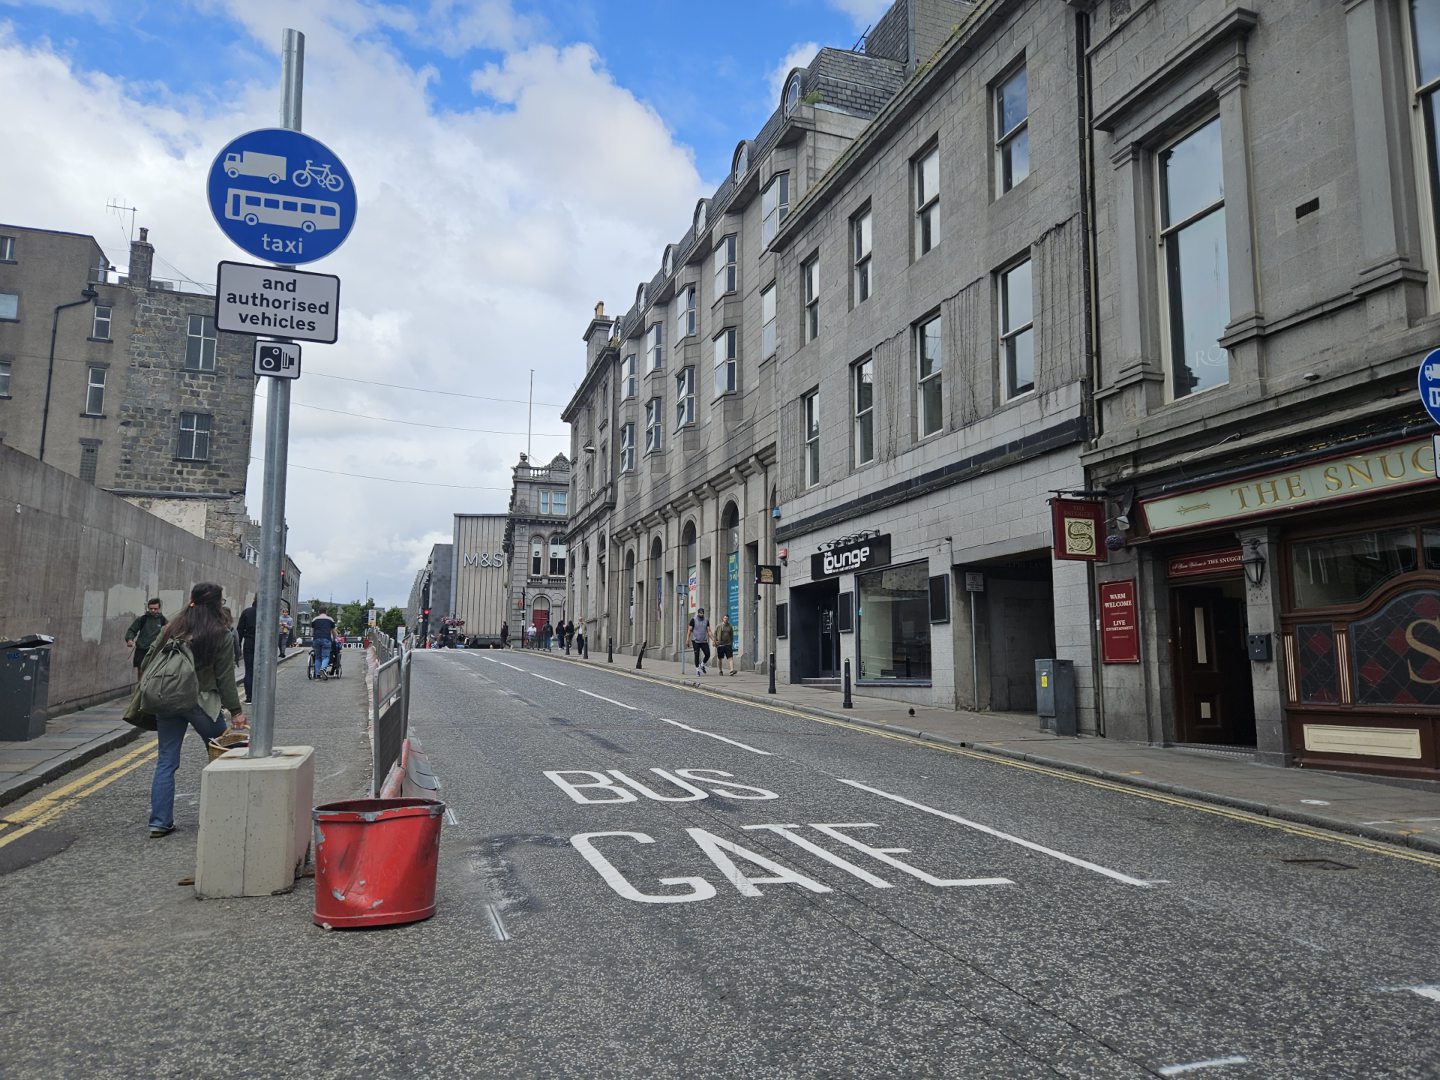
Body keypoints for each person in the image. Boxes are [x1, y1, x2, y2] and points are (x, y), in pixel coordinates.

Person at [126, 582, 245, 838]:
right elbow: (224, 677)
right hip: (201, 702)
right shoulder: (220, 633)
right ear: (217, 604)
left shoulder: (172, 627)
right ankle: (226, 816)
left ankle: (159, 822)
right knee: (224, 757)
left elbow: (147, 661)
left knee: (166, 762)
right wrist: (235, 711)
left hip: (167, 700)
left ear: (192, 600)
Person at [125, 598, 166, 683]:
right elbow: (132, 630)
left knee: (154, 671)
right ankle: (140, 687)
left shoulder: (162, 620)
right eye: (151, 608)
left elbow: (170, 631)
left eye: (155, 608)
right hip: (142, 649)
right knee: (141, 670)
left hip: (155, 650)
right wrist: (129, 639)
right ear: (148, 608)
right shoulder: (143, 619)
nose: (153, 610)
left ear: (159, 608)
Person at [236, 596, 257, 704]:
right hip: (264, 646)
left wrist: (238, 645)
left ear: (254, 599)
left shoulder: (247, 612)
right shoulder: (269, 613)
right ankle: (261, 694)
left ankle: (249, 697)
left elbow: (239, 630)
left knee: (249, 670)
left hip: (249, 644)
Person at [311, 606, 337, 679]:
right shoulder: (330, 619)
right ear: (326, 611)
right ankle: (323, 668)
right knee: (325, 656)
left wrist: (313, 637)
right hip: (326, 638)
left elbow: (312, 631)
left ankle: (318, 674)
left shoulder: (314, 619)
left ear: (319, 612)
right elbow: (333, 631)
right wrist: (335, 639)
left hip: (316, 639)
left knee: (317, 657)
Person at [688, 607, 713, 676]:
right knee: (697, 655)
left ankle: (702, 665)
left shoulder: (706, 620)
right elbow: (689, 630)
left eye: (702, 613)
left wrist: (713, 640)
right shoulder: (693, 620)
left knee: (708, 654)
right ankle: (697, 670)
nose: (701, 614)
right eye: (700, 613)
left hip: (704, 641)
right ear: (698, 613)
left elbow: (709, 631)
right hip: (695, 641)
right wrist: (687, 640)